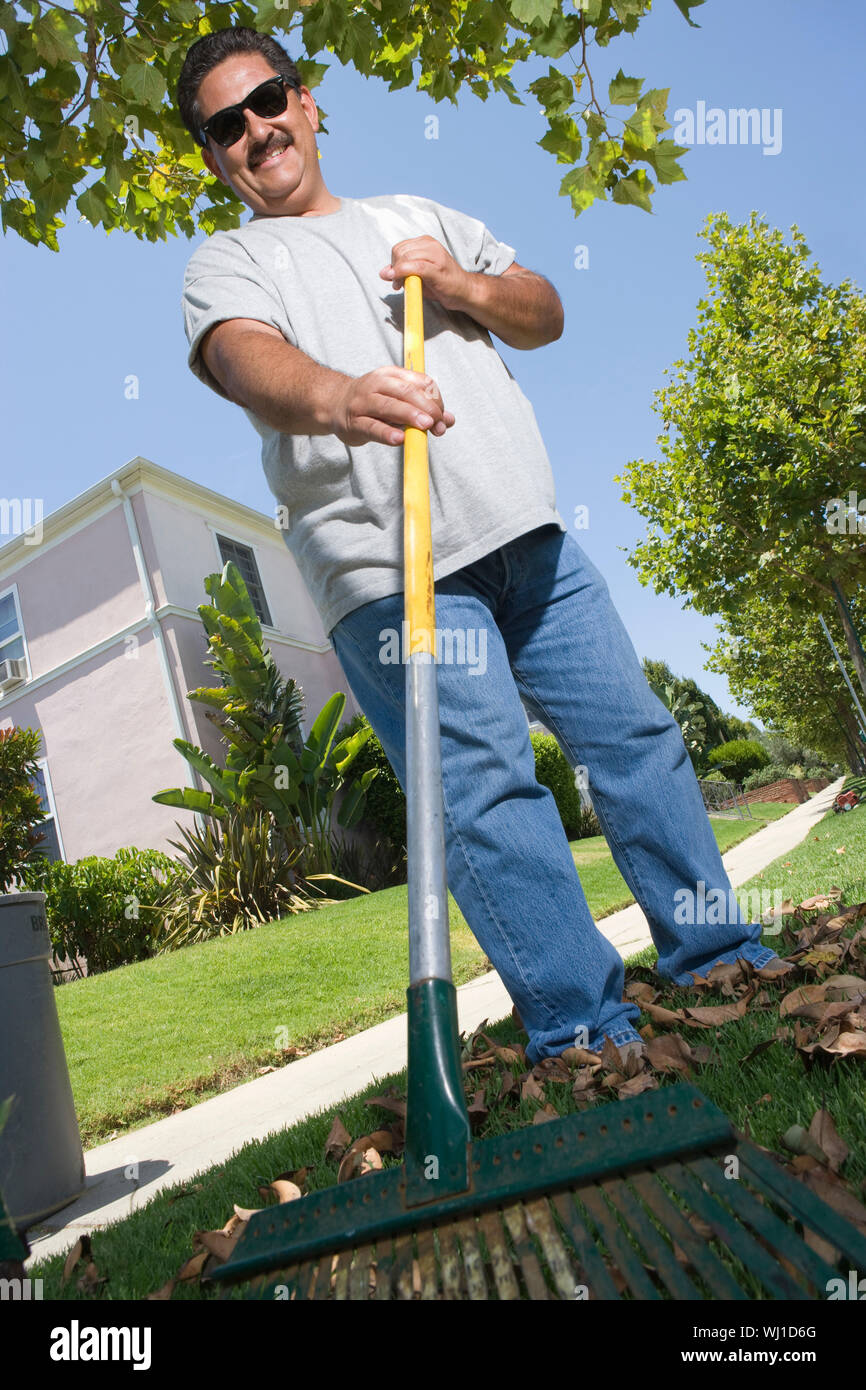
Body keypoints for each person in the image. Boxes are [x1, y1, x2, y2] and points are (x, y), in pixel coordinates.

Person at [177, 25, 792, 1066]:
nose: (256, 130)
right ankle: (585, 1030)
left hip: (526, 536)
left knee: (636, 742)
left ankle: (717, 953)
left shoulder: (417, 216)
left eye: (268, 99)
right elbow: (243, 359)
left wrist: (457, 286)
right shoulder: (227, 260)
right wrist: (338, 395)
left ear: (309, 102)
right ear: (213, 156)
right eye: (226, 126)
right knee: (489, 793)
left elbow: (541, 309)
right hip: (389, 568)